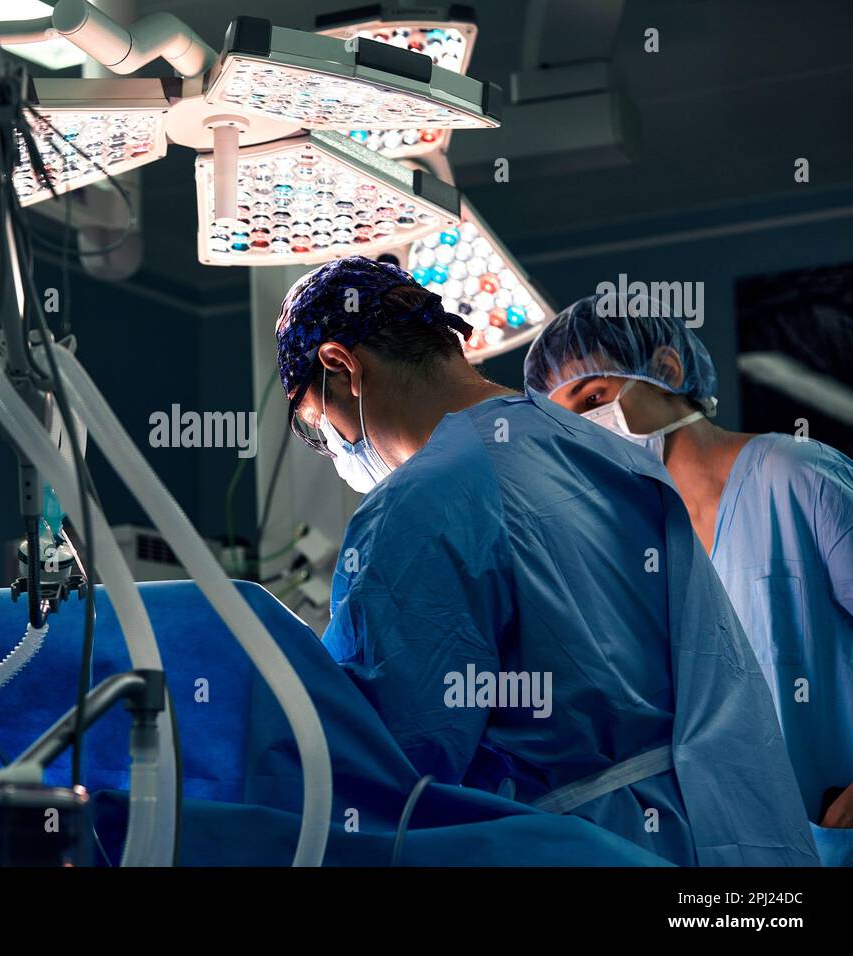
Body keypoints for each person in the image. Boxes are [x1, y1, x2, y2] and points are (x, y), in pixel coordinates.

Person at [276, 256, 817, 866]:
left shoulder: (419, 505)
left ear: (341, 366)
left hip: (580, 849)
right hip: (724, 839)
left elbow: (384, 762)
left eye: (321, 429)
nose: (338, 454)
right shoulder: (612, 452)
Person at [525, 293, 853, 865]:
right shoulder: (638, 549)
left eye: (593, 398)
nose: (581, 430)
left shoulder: (795, 476)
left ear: (667, 371)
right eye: (562, 420)